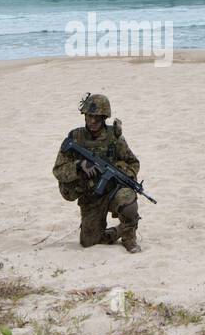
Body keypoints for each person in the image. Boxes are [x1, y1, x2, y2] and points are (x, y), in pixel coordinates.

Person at [52, 93, 143, 253]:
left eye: (97, 118)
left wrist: (123, 172)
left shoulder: (114, 138)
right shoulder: (75, 138)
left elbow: (133, 163)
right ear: (85, 116)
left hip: (114, 191)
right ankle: (119, 231)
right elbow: (58, 170)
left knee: (129, 205)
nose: (93, 121)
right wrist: (79, 165)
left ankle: (129, 238)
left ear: (104, 117)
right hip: (91, 196)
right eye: (89, 116)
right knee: (88, 242)